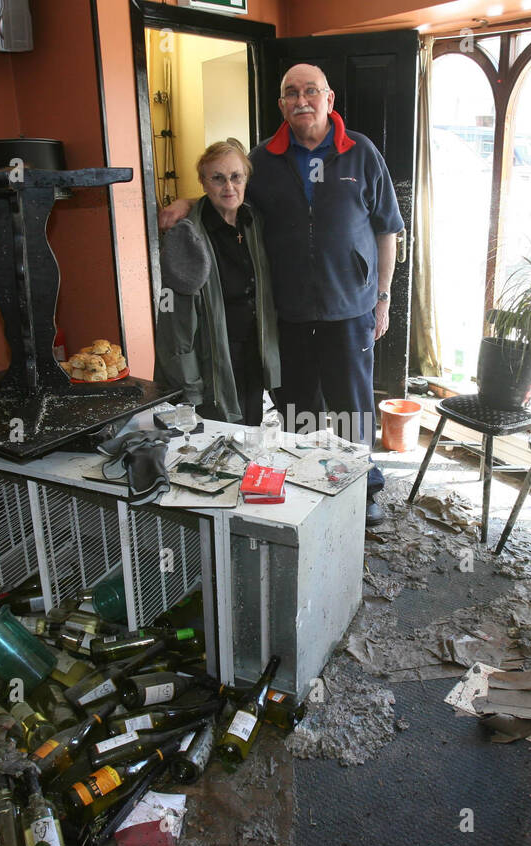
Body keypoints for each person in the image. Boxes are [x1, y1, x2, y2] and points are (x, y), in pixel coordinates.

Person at [160, 64, 403, 526]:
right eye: (291, 92)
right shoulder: (264, 159)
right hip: (286, 313)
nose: (301, 100)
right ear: (281, 105)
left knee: (353, 407)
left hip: (351, 310)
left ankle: (363, 489)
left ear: (329, 98)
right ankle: (306, 478)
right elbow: (226, 189)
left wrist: (384, 298)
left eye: (311, 90)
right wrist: (186, 203)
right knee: (297, 406)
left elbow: (387, 229)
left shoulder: (362, 154)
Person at [154, 139, 280, 426]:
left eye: (236, 177)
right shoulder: (187, 237)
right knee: (217, 433)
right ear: (203, 182)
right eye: (218, 179)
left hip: (253, 348)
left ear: (246, 178)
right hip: (210, 356)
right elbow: (176, 324)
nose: (229, 187)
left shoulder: (254, 222)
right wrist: (188, 385)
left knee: (250, 428)